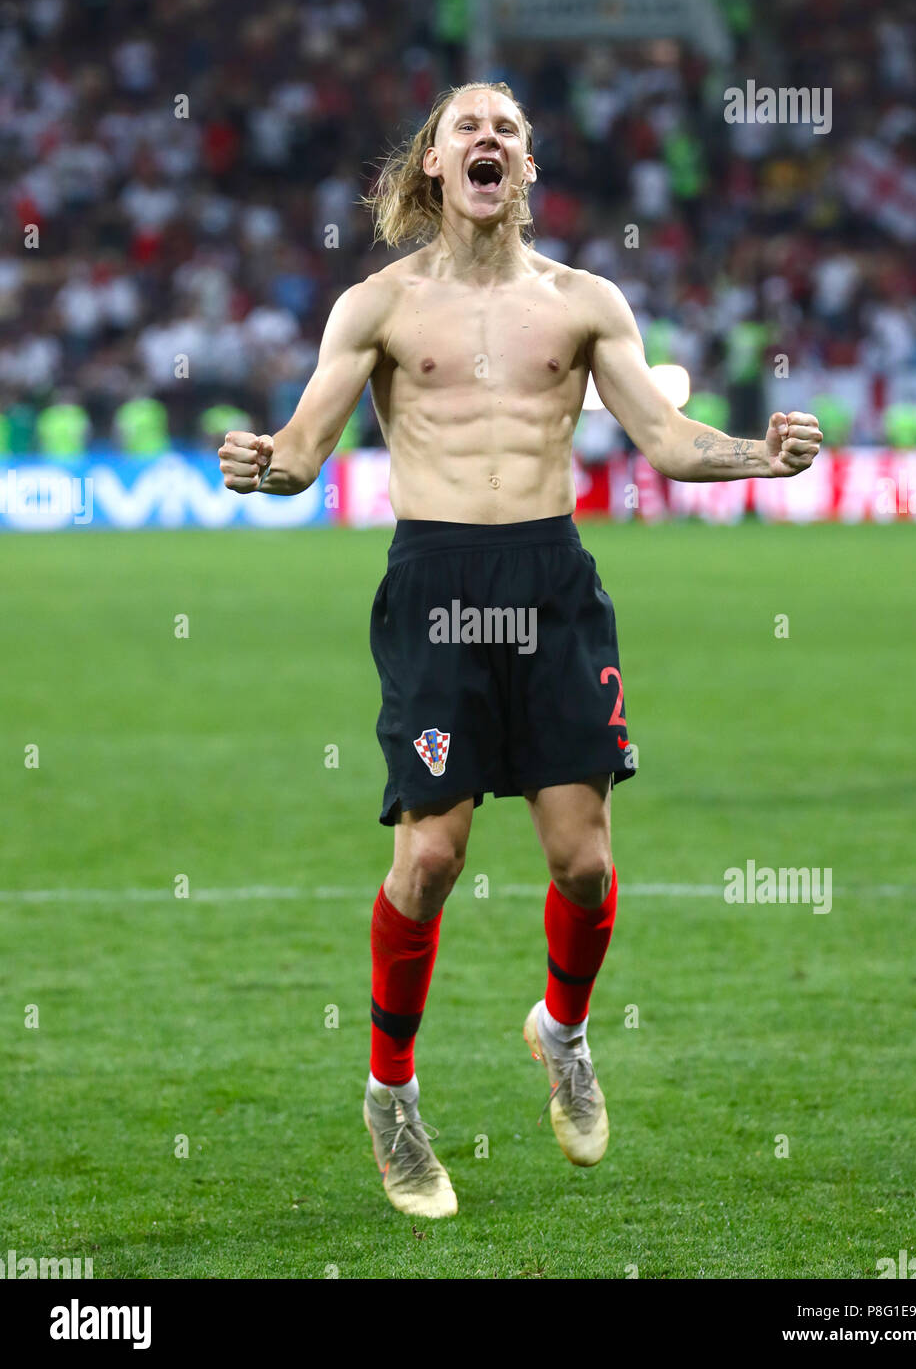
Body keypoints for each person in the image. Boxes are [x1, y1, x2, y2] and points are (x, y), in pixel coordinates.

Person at [218, 81, 822, 1219]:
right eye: (467, 128)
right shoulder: (377, 307)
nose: (488, 140)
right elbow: (305, 449)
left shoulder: (584, 302)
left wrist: (758, 454)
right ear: (435, 167)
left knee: (582, 861)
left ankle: (564, 1029)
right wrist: (265, 464)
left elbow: (661, 437)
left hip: (550, 581)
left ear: (527, 169)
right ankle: (390, 1093)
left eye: (507, 129)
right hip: (436, 585)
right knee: (432, 857)